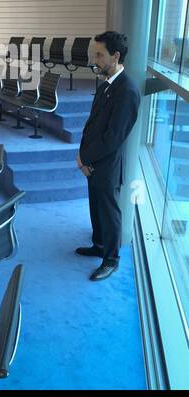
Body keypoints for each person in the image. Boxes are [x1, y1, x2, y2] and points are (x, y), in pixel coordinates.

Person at [78, 31, 141, 281]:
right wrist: (82, 154)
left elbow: (114, 137)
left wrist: (85, 159)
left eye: (100, 54)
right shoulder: (107, 84)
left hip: (107, 164)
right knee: (95, 204)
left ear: (115, 56)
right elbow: (92, 125)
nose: (96, 59)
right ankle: (99, 244)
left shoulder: (127, 91)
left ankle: (111, 258)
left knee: (109, 210)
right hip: (93, 160)